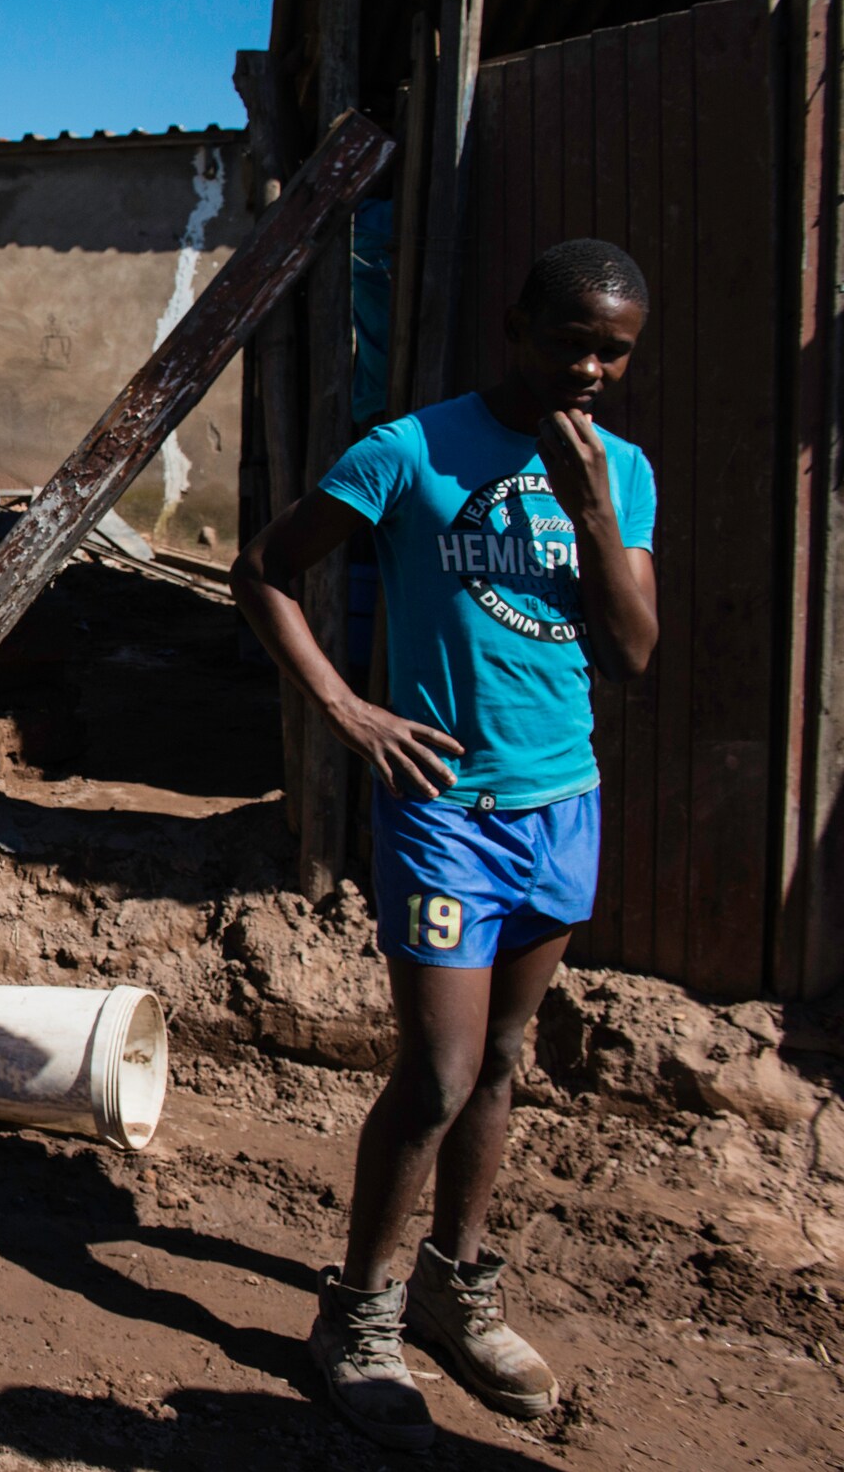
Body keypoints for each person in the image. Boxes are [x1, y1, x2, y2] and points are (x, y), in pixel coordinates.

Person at [232, 238, 659, 1452]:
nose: (587, 367)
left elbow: (630, 650)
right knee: (434, 1071)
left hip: (556, 803)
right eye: (569, 339)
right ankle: (354, 1315)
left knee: (506, 1058)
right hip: (442, 811)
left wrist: (587, 509)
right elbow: (260, 566)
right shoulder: (408, 451)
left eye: (612, 349)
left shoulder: (618, 470)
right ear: (513, 324)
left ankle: (454, 1286)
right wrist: (344, 707)